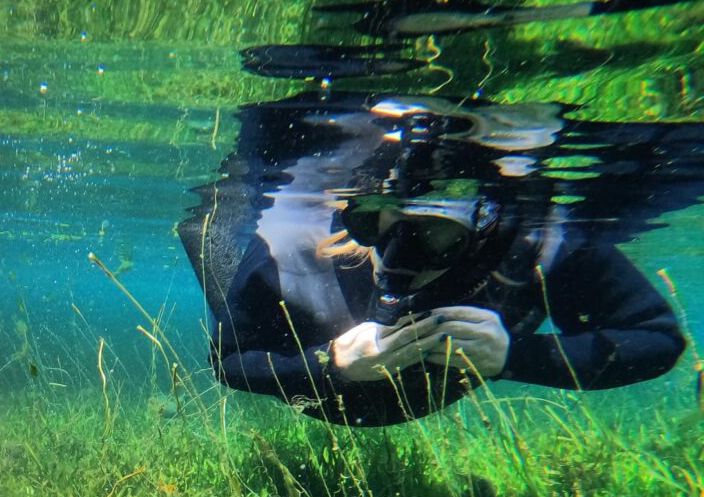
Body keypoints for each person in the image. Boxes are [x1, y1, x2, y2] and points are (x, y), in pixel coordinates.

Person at [181, 96, 687, 427]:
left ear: (487, 225)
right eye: (373, 224)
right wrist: (329, 364)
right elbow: (228, 363)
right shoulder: (292, 249)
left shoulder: (537, 245)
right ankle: (210, 229)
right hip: (316, 366)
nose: (394, 260)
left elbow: (658, 339)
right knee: (215, 251)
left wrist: (514, 357)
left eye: (431, 236)